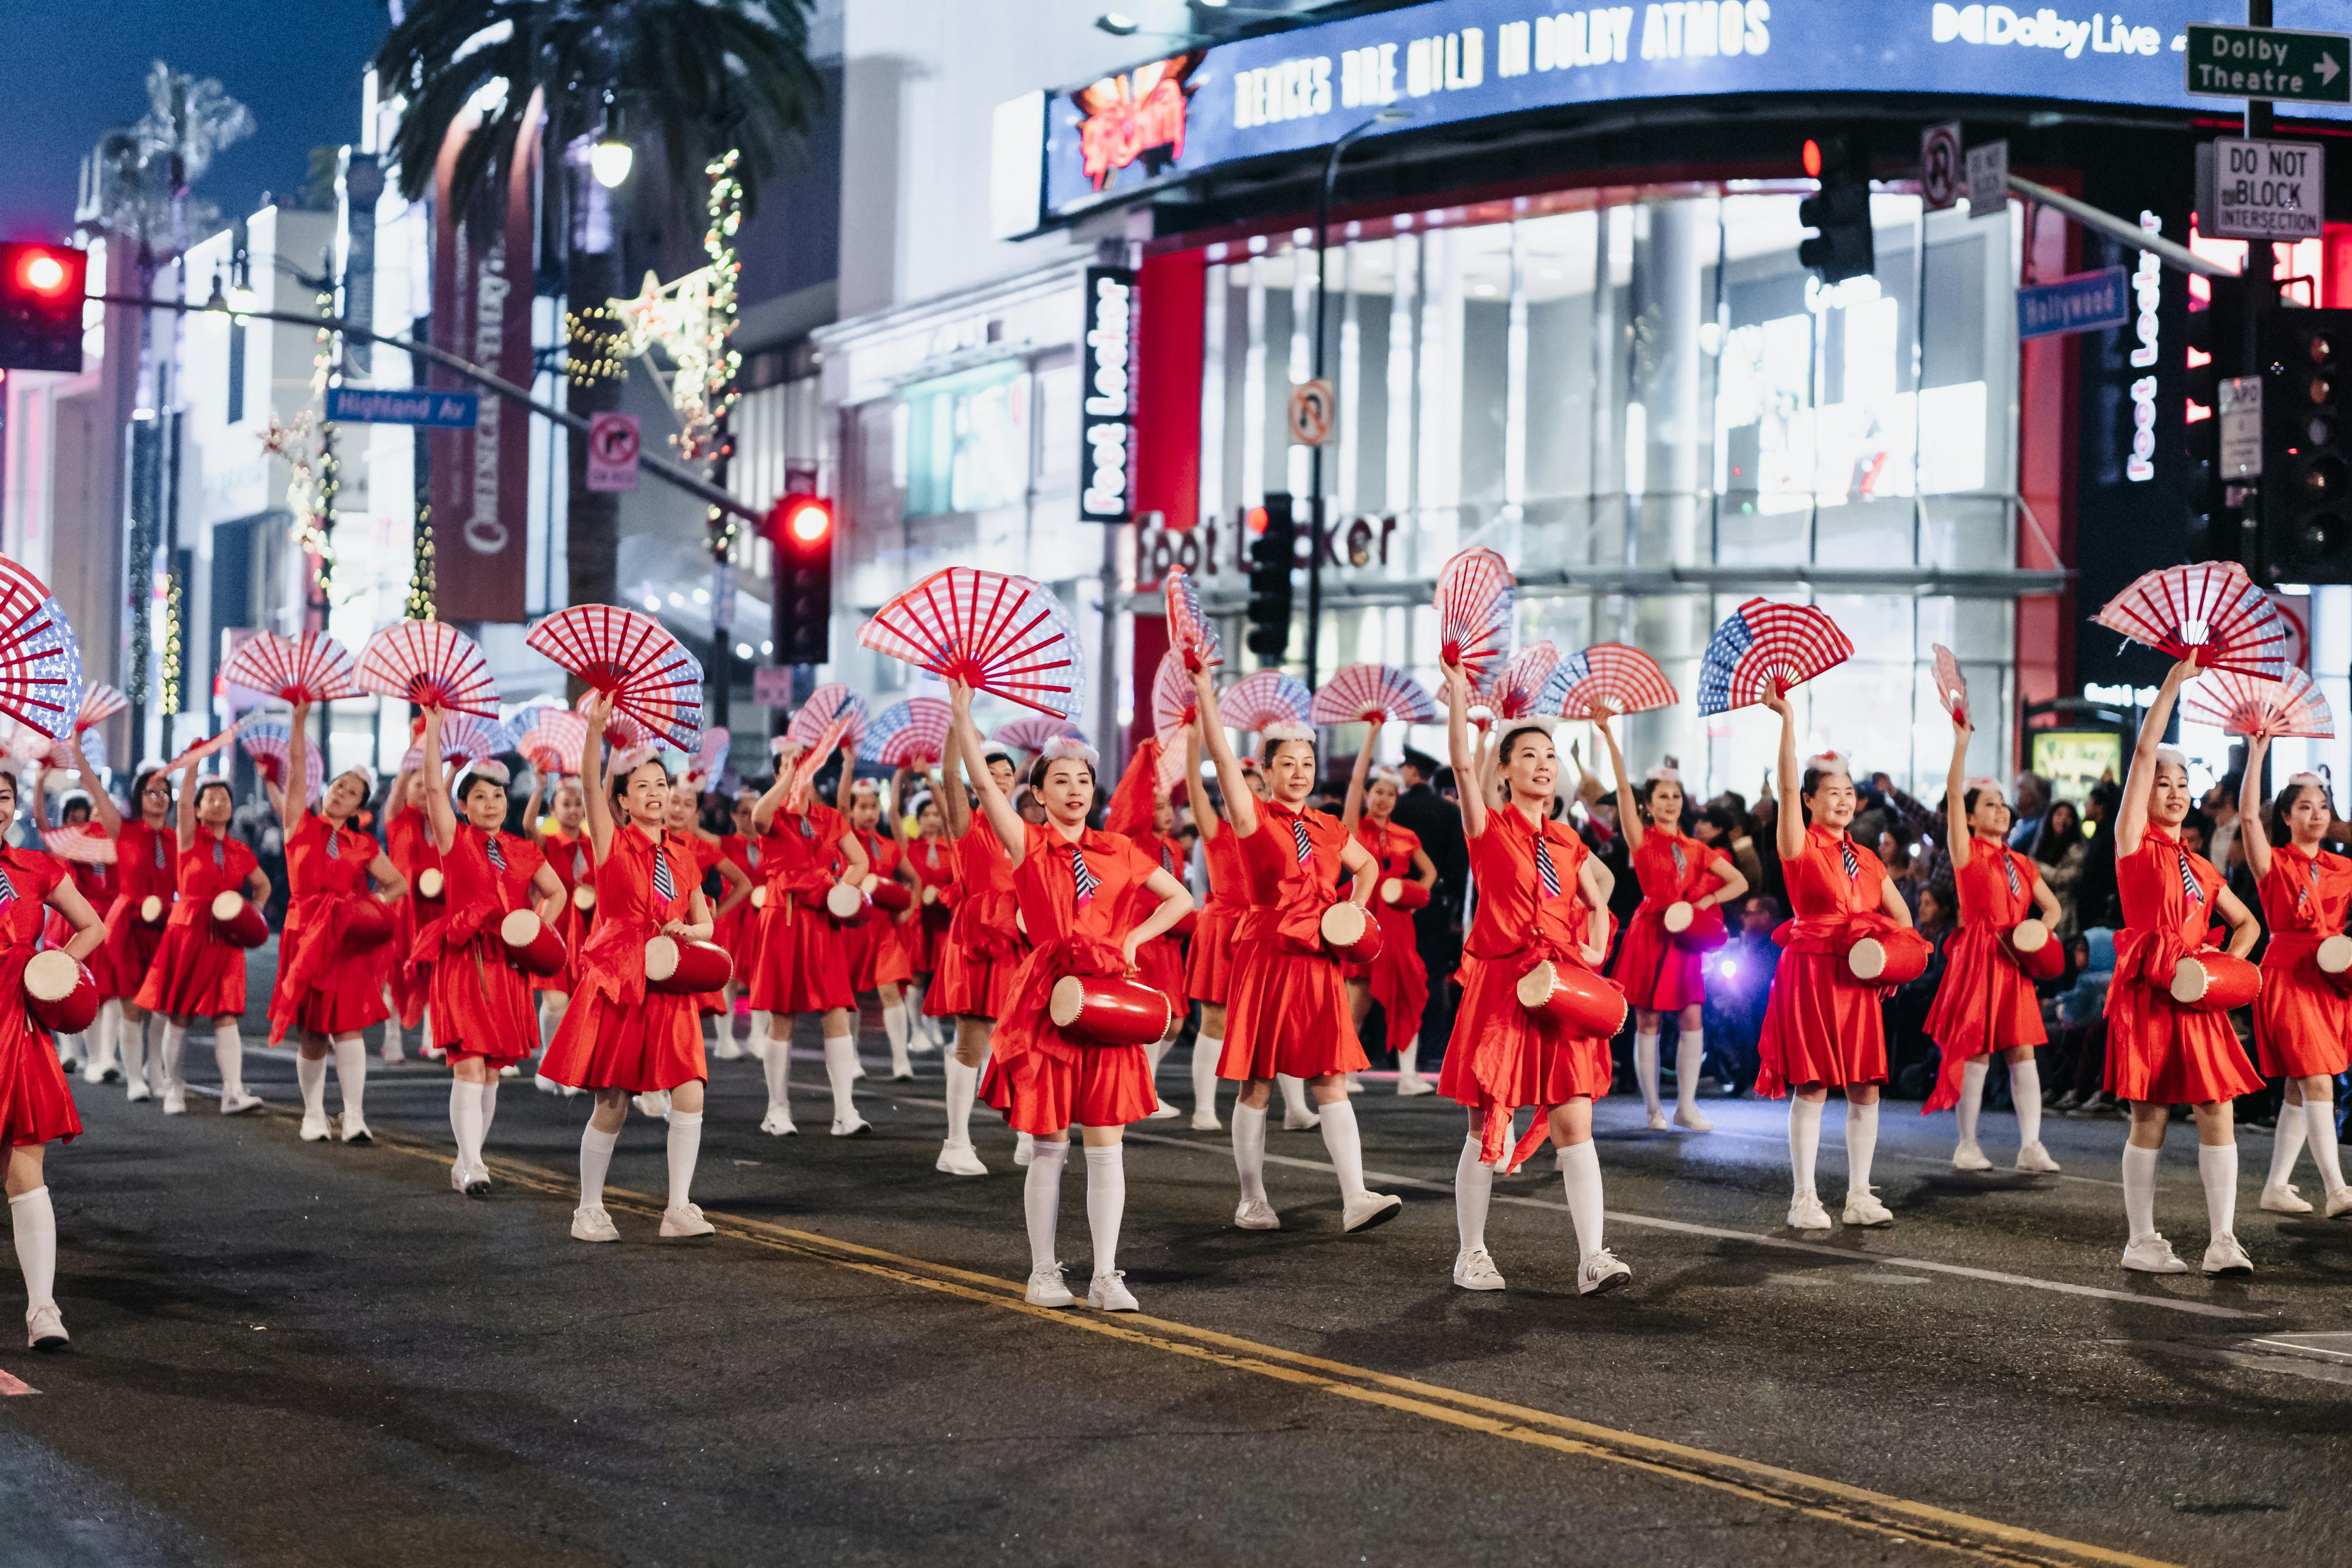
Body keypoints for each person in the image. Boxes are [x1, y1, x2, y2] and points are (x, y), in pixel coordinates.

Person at [948, 686, 1191, 1308]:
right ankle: (1043, 1271)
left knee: (1106, 1142)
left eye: (1082, 779)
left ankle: (1107, 1274)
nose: (1074, 789)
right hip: (1048, 998)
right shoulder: (1027, 843)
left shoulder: (1118, 850)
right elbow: (980, 785)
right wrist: (962, 714)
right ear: (1037, 793)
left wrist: (1134, 939)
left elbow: (1181, 900)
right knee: (1051, 1144)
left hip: (1107, 996)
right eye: (1060, 780)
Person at [1438, 659, 1628, 1295]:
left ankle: (1592, 1258)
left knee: (1575, 1120)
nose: (1543, 765)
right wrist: (1462, 697)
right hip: (1498, 990)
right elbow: (1463, 767)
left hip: (1558, 988)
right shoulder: (1487, 830)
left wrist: (1597, 932)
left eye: (1550, 755)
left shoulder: (1568, 842)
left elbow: (1600, 890)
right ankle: (1471, 1253)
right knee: (1484, 1122)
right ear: (1506, 769)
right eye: (1529, 755)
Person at [1191, 663, 1400, 1235]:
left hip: (1318, 963)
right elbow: (1222, 756)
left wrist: (1352, 911)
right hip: (1265, 957)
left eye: (1307, 764)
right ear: (1266, 768)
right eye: (1288, 764)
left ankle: (1355, 1195)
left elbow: (1369, 868)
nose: (1300, 772)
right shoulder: (1250, 817)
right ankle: (1252, 1199)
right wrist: (1206, 695)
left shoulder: (1329, 826)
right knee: (1256, 1083)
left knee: (1330, 1077)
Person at [2104, 658, 2263, 1275]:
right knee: (2150, 1114)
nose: (2172, 792)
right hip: (2149, 988)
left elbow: (2246, 924)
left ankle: (2222, 1240)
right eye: (2163, 783)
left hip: (2195, 994)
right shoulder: (2131, 842)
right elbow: (2143, 754)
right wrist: (2173, 685)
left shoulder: (2199, 865)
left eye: (2182, 784)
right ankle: (2140, 1241)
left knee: (2216, 1107)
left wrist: (2221, 971)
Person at [539, 696, 719, 1242]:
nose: (656, 793)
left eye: (661, 784)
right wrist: (597, 732)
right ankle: (588, 1208)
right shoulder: (612, 843)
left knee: (690, 1090)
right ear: (621, 801)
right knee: (612, 1102)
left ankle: (679, 1208)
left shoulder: (684, 856)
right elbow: (590, 787)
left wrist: (693, 933)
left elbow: (705, 921)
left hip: (670, 980)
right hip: (620, 981)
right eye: (642, 786)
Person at [1755, 688, 1917, 1231]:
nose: (1843, 801)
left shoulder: (1868, 858)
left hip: (1857, 978)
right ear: (1808, 799)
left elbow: (1905, 921)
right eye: (1831, 792)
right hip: (1811, 971)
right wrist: (1788, 722)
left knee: (1866, 1085)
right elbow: (1782, 783)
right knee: (1814, 1084)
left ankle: (1858, 1195)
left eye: (1849, 792)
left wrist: (1889, 960)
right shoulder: (1797, 845)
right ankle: (1804, 1196)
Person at [414, 711, 565, 1194]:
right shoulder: (454, 841)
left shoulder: (523, 850)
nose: (491, 803)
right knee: (470, 1064)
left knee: (493, 1072)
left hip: (507, 966)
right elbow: (434, 790)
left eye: (497, 794)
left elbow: (557, 893)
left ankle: (467, 1161)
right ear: (463, 805)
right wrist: (433, 728)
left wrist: (534, 932)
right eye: (478, 796)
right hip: (464, 962)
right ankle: (474, 1164)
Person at [1921, 714, 2064, 1174]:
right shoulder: (1965, 851)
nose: (2001, 810)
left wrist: (2039, 932)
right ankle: (1967, 1143)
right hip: (1980, 955)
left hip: (2014, 957)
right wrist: (1961, 744)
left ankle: (2031, 1145)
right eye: (1989, 803)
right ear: (1968, 815)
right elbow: (1953, 791)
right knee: (1977, 1050)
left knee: (2023, 1050)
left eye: (2004, 804)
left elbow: (2053, 908)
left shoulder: (2021, 861)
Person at [0, 764, 108, 1350]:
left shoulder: (38, 867)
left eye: (5, 797)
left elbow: (92, 924)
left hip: (17, 1022)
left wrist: (56, 967)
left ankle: (44, 1309)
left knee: (25, 1167)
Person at [265, 703, 407, 1145]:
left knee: (349, 1027)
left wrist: (369, 904)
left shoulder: (363, 844)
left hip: (343, 939)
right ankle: (312, 1113)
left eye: (350, 792)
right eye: (338, 786)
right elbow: (295, 776)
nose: (340, 793)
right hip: (304, 933)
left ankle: (355, 1116)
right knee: (311, 1032)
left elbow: (399, 883)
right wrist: (300, 721)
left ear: (359, 806)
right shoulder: (299, 823)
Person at [1596, 720, 1747, 1132]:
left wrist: (1706, 900)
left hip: (1684, 937)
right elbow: (1624, 792)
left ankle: (1686, 1105)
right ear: (1649, 804)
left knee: (1692, 1016)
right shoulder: (1641, 839)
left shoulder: (1697, 848)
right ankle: (1651, 1109)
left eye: (1676, 795)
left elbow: (1740, 881)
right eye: (1662, 796)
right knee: (1648, 1020)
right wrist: (1610, 738)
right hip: (1650, 931)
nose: (1671, 802)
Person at [2236, 735, 2352, 1219]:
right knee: (2318, 1079)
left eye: (2322, 805)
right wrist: (2257, 752)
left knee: (2298, 1087)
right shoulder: (2274, 863)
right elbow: (2246, 819)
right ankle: (2337, 1188)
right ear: (2286, 816)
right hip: (2288, 974)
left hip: (2333, 978)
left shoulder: (2344, 866)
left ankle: (2277, 1185)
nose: (2315, 814)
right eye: (2304, 806)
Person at [134, 755, 270, 1115]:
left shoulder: (241, 851)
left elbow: (263, 886)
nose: (219, 803)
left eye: (224, 798)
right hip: (188, 932)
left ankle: (233, 1092)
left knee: (227, 1014)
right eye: (210, 798)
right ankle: (174, 1089)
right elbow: (182, 801)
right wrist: (193, 765)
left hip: (226, 938)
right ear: (196, 810)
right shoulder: (188, 839)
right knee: (179, 1015)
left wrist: (248, 916)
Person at [749, 738, 870, 1136]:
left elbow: (860, 861)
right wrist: (788, 775)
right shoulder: (773, 814)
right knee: (782, 1015)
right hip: (782, 917)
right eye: (788, 759)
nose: (798, 764)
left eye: (804, 759)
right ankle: (776, 1109)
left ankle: (845, 1112)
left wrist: (840, 891)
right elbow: (758, 816)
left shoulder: (829, 817)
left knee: (836, 1010)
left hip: (820, 919)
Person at [925, 728, 1023, 1173]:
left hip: (1018, 941)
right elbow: (949, 772)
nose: (1001, 779)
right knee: (973, 1041)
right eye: (992, 772)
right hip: (980, 939)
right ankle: (956, 1142)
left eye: (1007, 773)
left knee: (1023, 1038)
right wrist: (955, 725)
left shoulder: (1025, 831)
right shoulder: (968, 824)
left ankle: (1029, 1130)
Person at [1339, 723, 1441, 1097]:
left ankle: (1409, 1075)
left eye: (1390, 794)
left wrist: (1415, 899)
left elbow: (1430, 872)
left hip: (1398, 924)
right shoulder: (1354, 828)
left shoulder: (1406, 835)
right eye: (1378, 792)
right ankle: (1346, 1070)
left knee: (1409, 993)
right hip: (1364, 919)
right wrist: (1370, 735)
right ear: (1367, 795)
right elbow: (1352, 785)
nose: (1383, 799)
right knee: (1357, 999)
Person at [69, 743, 170, 1099]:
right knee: (131, 1002)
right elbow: (94, 787)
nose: (158, 797)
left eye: (164, 792)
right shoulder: (124, 831)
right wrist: (78, 753)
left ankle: (155, 1070)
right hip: (126, 927)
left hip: (164, 927)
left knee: (161, 1006)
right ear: (138, 797)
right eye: (151, 792)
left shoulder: (177, 839)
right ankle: (135, 1080)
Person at [1178, 723, 1254, 1132]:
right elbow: (1195, 791)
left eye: (1253, 786)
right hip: (1224, 927)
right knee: (1215, 1020)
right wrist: (1194, 743)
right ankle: (1204, 1107)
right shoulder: (1215, 830)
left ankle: (1296, 1106)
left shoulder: (1272, 831)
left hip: (1263, 929)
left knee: (1271, 1021)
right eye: (1235, 786)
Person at [837, 774, 920, 1079]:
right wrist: (848, 763)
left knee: (889, 989)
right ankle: (853, 1059)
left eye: (874, 806)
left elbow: (915, 880)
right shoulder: (844, 842)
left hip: (885, 929)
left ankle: (901, 1061)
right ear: (853, 812)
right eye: (863, 807)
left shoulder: (890, 847)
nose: (869, 813)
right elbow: (840, 804)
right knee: (851, 997)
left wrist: (908, 910)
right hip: (853, 926)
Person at [532, 774, 594, 1092]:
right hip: (555, 923)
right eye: (565, 804)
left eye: (578, 803)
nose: (573, 810)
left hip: (586, 928)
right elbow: (531, 828)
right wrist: (540, 786)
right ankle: (547, 1059)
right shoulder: (549, 841)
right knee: (555, 999)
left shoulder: (593, 844)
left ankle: (567, 1065)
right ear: (553, 810)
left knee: (578, 1002)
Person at [383, 763, 443, 1061]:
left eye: (428, 786)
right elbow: (394, 797)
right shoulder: (398, 817)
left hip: (435, 909)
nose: (424, 791)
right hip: (404, 908)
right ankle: (391, 1038)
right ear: (405, 787)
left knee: (435, 972)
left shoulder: (443, 823)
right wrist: (405, 767)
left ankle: (432, 1037)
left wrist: (452, 771)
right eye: (417, 785)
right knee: (396, 971)